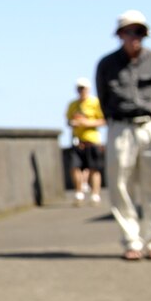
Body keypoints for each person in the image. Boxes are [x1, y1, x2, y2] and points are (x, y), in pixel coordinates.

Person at [95, 9, 151, 261]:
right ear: (120, 34)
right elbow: (103, 99)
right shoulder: (106, 64)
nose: (135, 37)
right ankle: (131, 239)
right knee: (119, 184)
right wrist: (115, 123)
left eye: (140, 31)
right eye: (130, 31)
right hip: (120, 126)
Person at [66, 77, 106, 205]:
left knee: (94, 169)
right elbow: (68, 120)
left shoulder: (95, 103)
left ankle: (95, 195)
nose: (81, 91)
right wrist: (73, 123)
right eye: (79, 88)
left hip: (92, 141)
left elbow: (103, 120)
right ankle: (79, 193)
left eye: (83, 88)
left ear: (88, 89)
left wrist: (86, 123)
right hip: (77, 140)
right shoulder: (73, 105)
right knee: (74, 167)